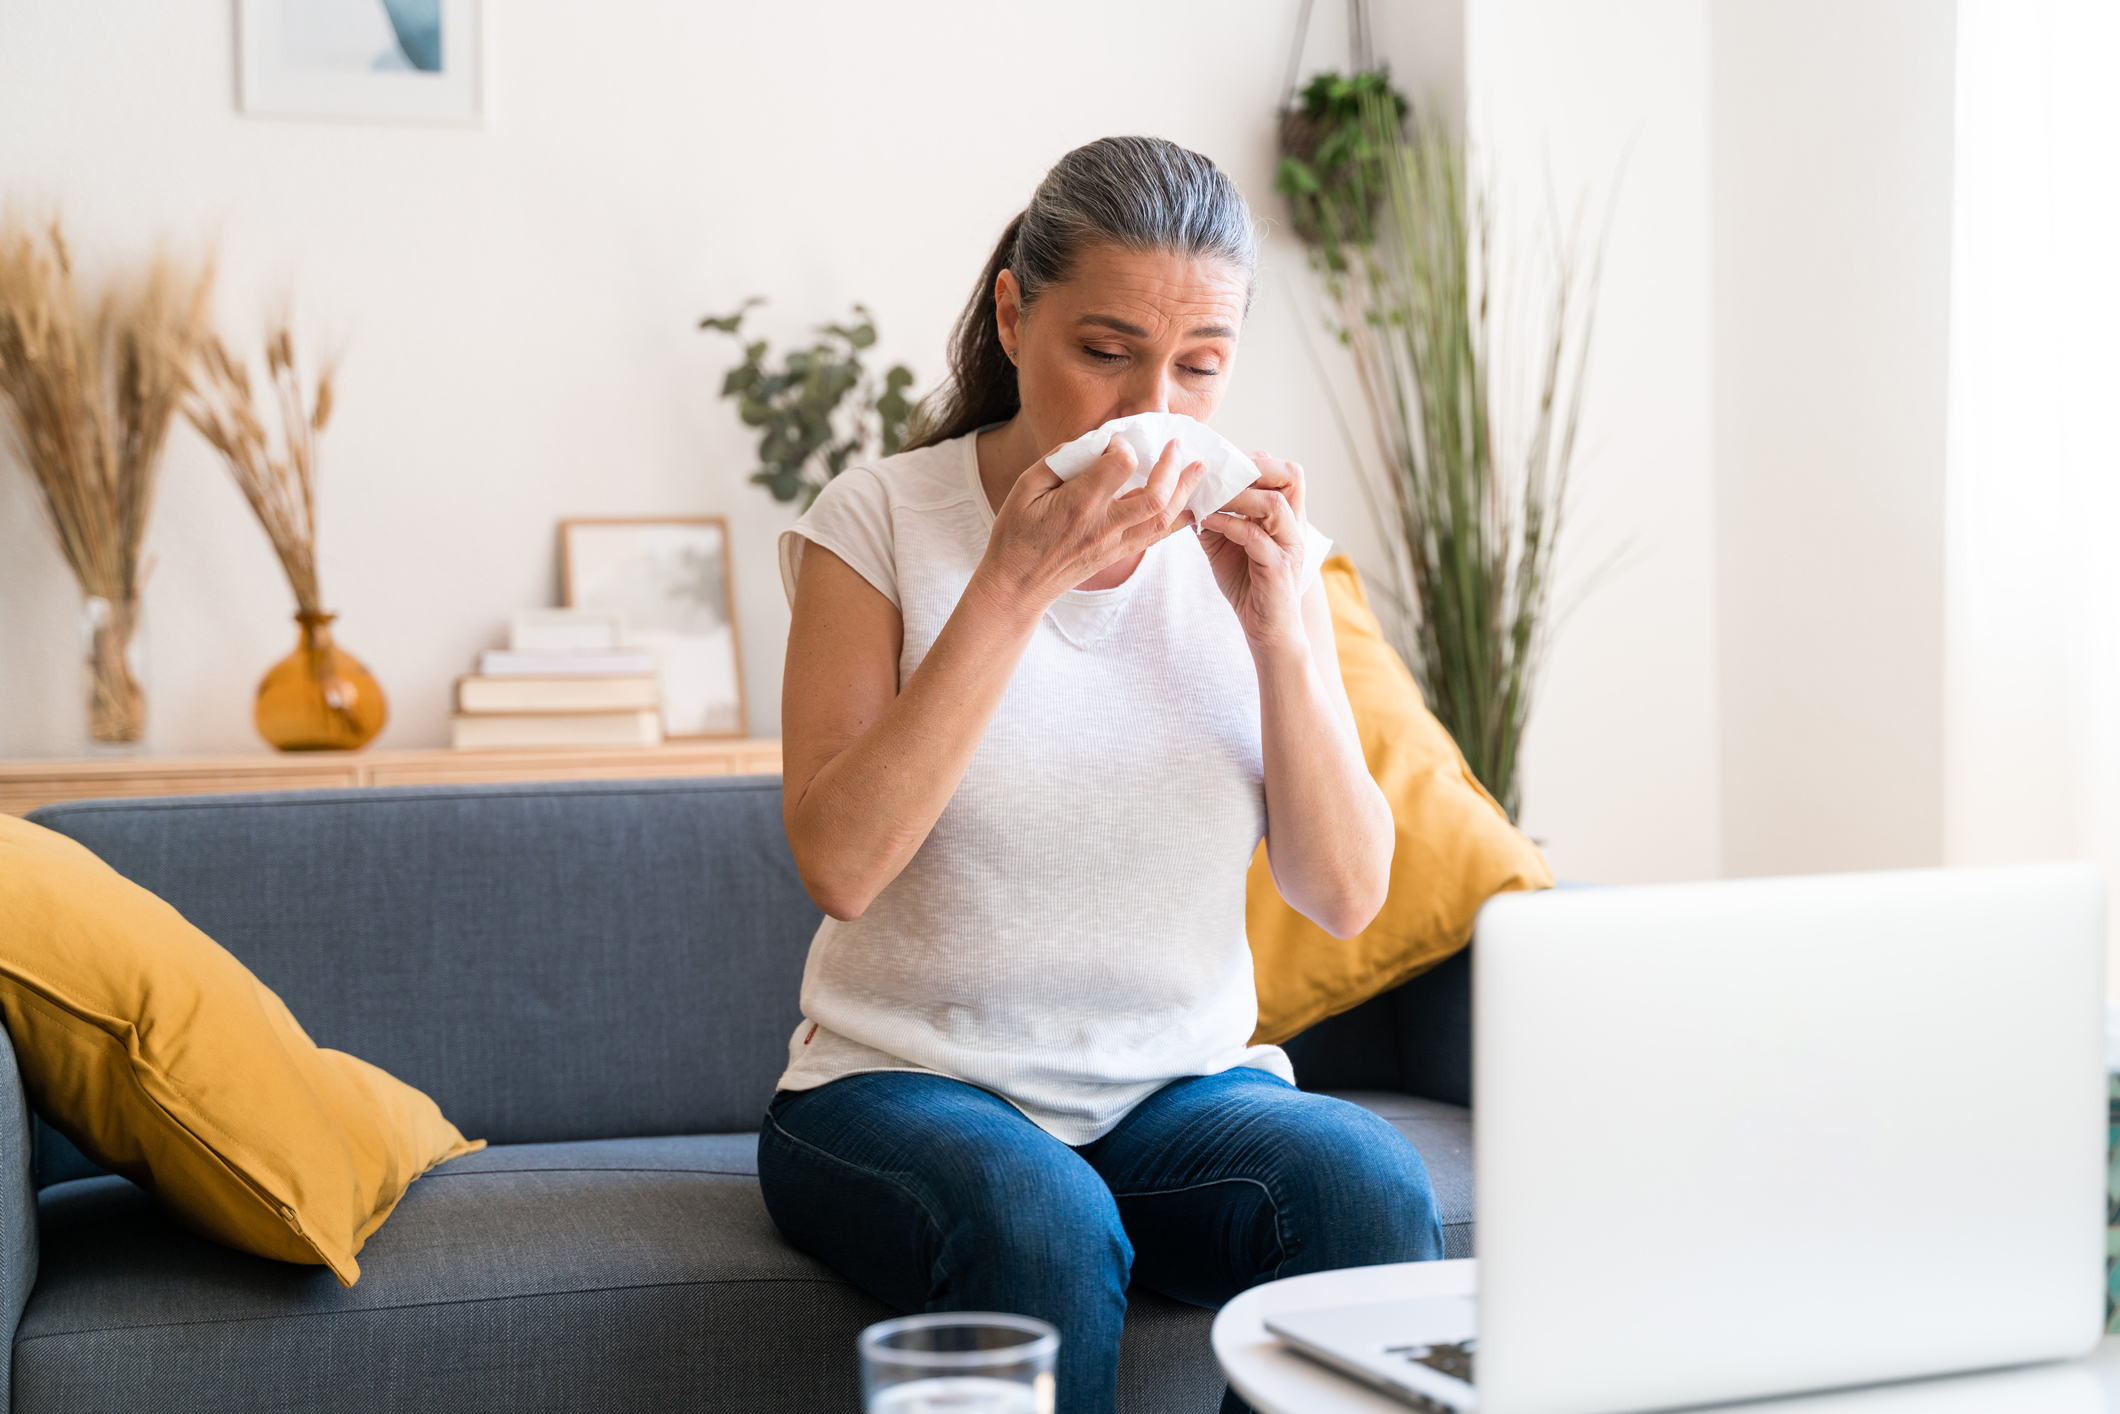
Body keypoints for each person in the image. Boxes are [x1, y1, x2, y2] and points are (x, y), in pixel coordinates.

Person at [759, 135, 1442, 1414]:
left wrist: (1283, 629)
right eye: (1104, 351)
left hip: (1177, 1095)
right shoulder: (880, 521)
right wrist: (1013, 586)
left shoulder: (1263, 549)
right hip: (894, 1088)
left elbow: (1344, 892)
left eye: (1199, 366)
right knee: (1040, 1215)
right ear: (1016, 316)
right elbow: (840, 864)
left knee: (1364, 1180)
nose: (1151, 414)